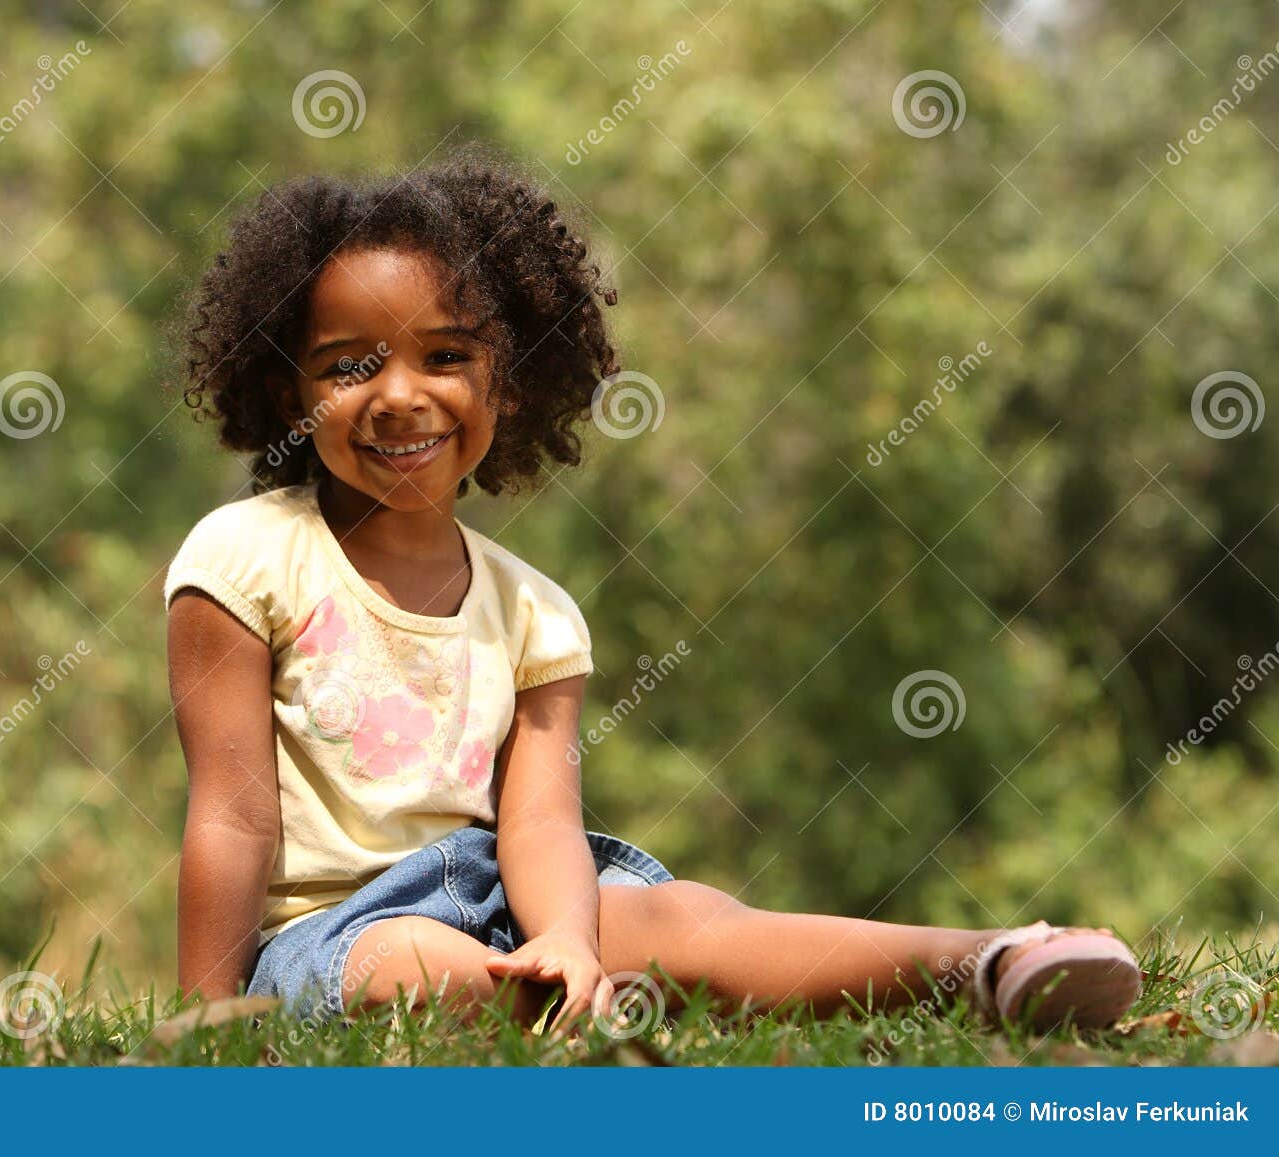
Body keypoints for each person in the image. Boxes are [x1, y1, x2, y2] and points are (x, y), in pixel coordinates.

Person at [163, 154, 1141, 1034]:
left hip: (505, 893)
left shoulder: (534, 612)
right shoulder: (247, 559)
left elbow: (538, 823)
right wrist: (206, 1015)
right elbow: (232, 816)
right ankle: (570, 1020)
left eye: (447, 356)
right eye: (350, 365)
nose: (401, 394)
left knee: (687, 915)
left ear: (511, 382)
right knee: (415, 966)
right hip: (332, 931)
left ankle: (989, 961)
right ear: (293, 394)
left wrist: (571, 940)